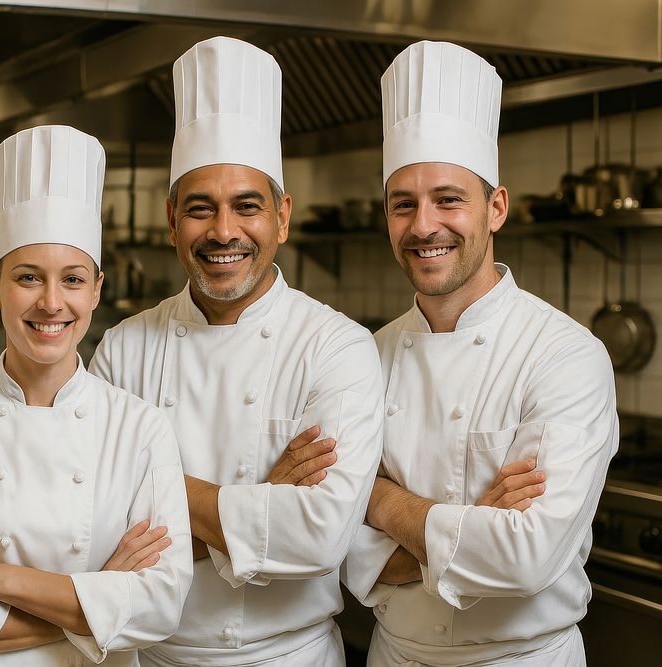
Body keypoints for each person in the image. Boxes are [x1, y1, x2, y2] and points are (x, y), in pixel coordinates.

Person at [89, 36, 384, 666]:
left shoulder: (336, 347)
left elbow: (321, 536)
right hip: (152, 656)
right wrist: (260, 497)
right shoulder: (122, 350)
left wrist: (161, 493)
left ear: (281, 216)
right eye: (200, 209)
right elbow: (91, 530)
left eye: (245, 207)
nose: (223, 232)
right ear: (172, 220)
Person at [340, 40, 619, 666]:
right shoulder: (361, 357)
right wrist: (469, 526)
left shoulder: (566, 355)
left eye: (449, 199)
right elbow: (330, 547)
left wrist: (382, 502)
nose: (423, 225)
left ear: (496, 209)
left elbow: (526, 558)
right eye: (403, 204)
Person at [0, 124, 193, 667]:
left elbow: (161, 607)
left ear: (97, 290)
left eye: (73, 279)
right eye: (28, 277)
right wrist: (98, 596)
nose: (52, 303)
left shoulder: (140, 428)